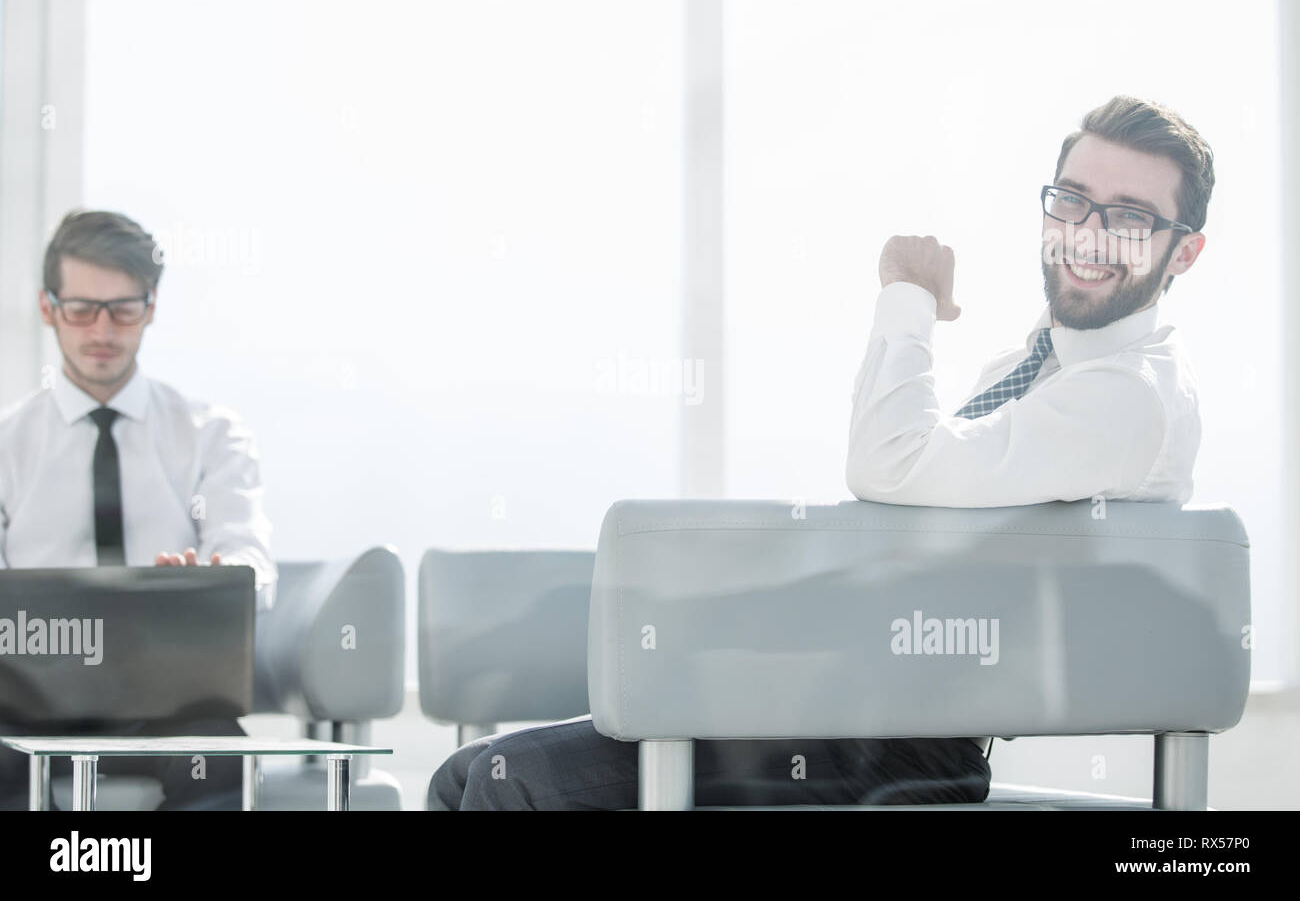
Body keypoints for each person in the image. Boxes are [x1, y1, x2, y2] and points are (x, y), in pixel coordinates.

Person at [428, 96, 1213, 810]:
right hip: (838, 710)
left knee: (515, 785)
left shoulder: (1128, 395)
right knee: (467, 775)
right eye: (1072, 199)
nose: (1088, 232)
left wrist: (906, 297)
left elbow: (890, 465)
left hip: (902, 750)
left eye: (1130, 217)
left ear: (1183, 253)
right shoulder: (1028, 371)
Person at [0, 209, 276, 810]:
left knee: (218, 758)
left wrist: (212, 581)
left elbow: (248, 554)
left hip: (170, 702)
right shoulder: (6, 445)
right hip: (23, 703)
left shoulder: (211, 434)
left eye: (123, 308)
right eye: (80, 308)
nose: (102, 328)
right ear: (48, 308)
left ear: (150, 307)